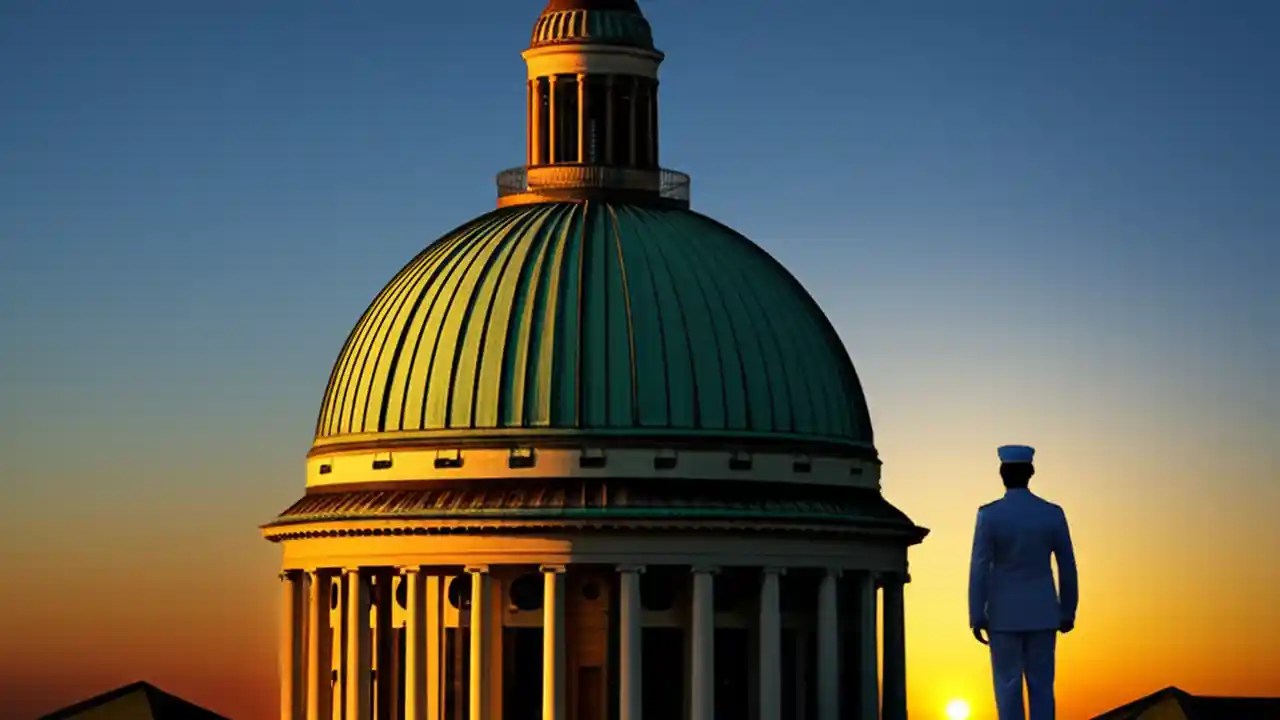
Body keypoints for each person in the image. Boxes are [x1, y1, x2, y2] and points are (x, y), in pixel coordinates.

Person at [968, 445, 1078, 720]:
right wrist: (1067, 609)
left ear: (1002, 473)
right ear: (1030, 472)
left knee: (1007, 688)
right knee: (1042, 686)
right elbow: (1067, 565)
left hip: (1003, 615)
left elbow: (979, 567)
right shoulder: (1052, 513)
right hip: (1042, 612)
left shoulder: (989, 515)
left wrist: (976, 614)